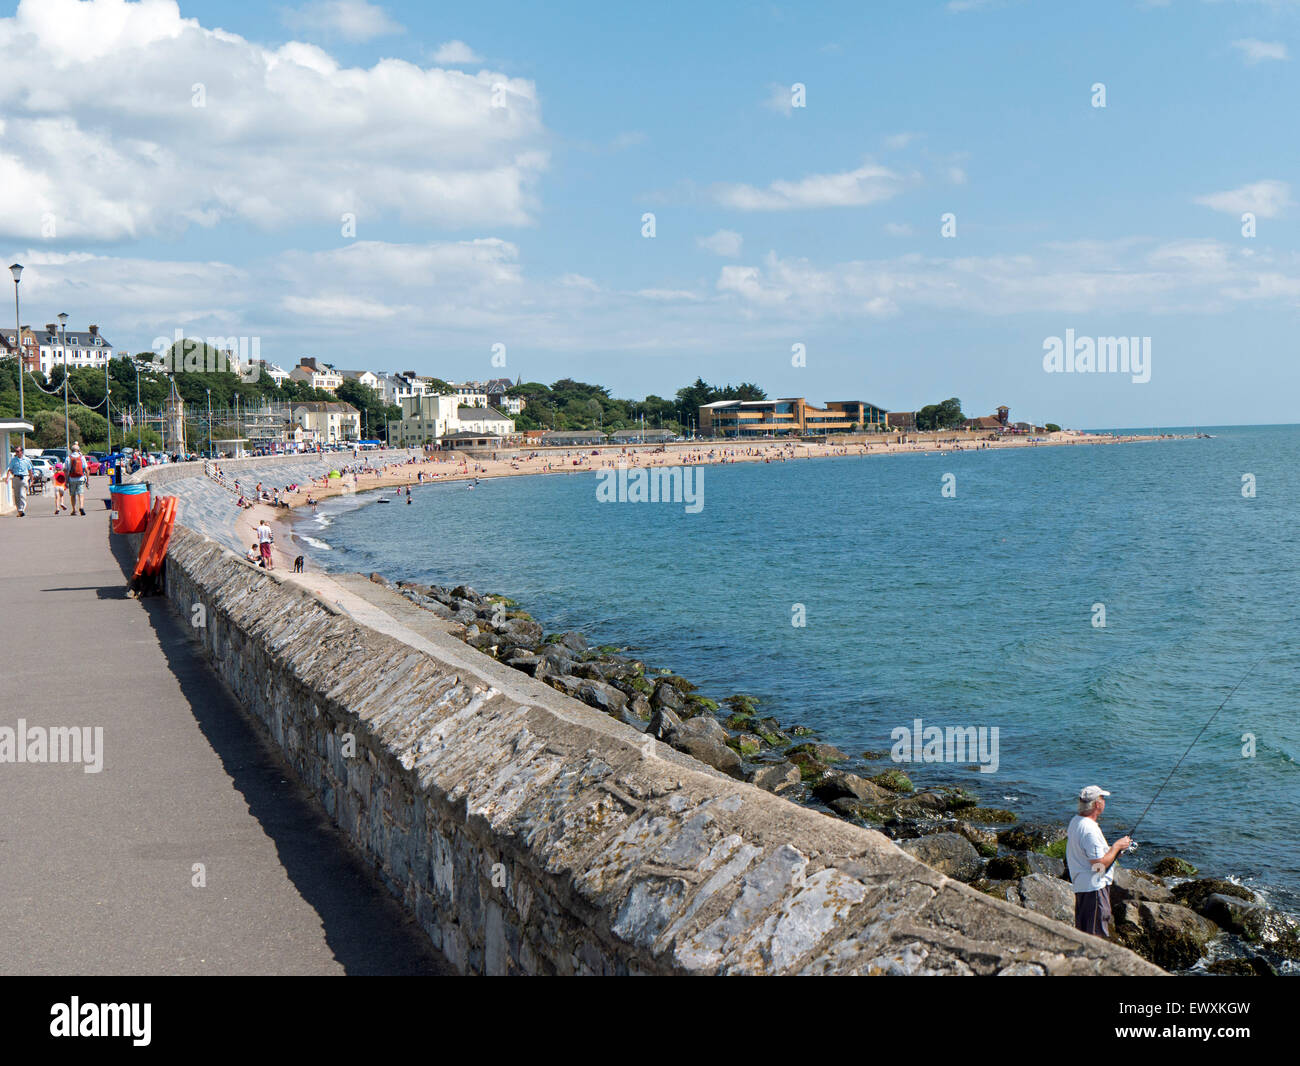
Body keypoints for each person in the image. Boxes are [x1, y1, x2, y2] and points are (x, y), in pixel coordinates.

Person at [1065, 786, 1131, 939]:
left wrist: (1112, 852)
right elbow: (1098, 866)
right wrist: (1116, 847)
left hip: (1082, 887)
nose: (1104, 802)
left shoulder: (1076, 821)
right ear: (1097, 804)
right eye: (1103, 799)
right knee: (1096, 937)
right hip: (1094, 890)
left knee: (1084, 935)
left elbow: (1088, 852)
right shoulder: (1090, 829)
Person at [4, 446, 33, 517]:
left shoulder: (27, 460)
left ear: (21, 452)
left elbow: (30, 470)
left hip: (24, 478)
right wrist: (7, 478)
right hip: (16, 478)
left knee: (22, 494)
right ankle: (19, 510)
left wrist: (32, 479)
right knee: (16, 495)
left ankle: (22, 510)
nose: (16, 452)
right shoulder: (13, 460)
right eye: (16, 451)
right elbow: (10, 469)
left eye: (18, 451)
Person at [65, 443, 88, 516]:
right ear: (78, 450)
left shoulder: (68, 458)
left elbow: (66, 470)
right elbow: (86, 469)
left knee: (73, 495)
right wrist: (87, 480)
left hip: (72, 479)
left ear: (71, 450)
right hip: (81, 478)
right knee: (81, 494)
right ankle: (81, 507)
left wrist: (66, 481)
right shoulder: (82, 457)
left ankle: (74, 510)